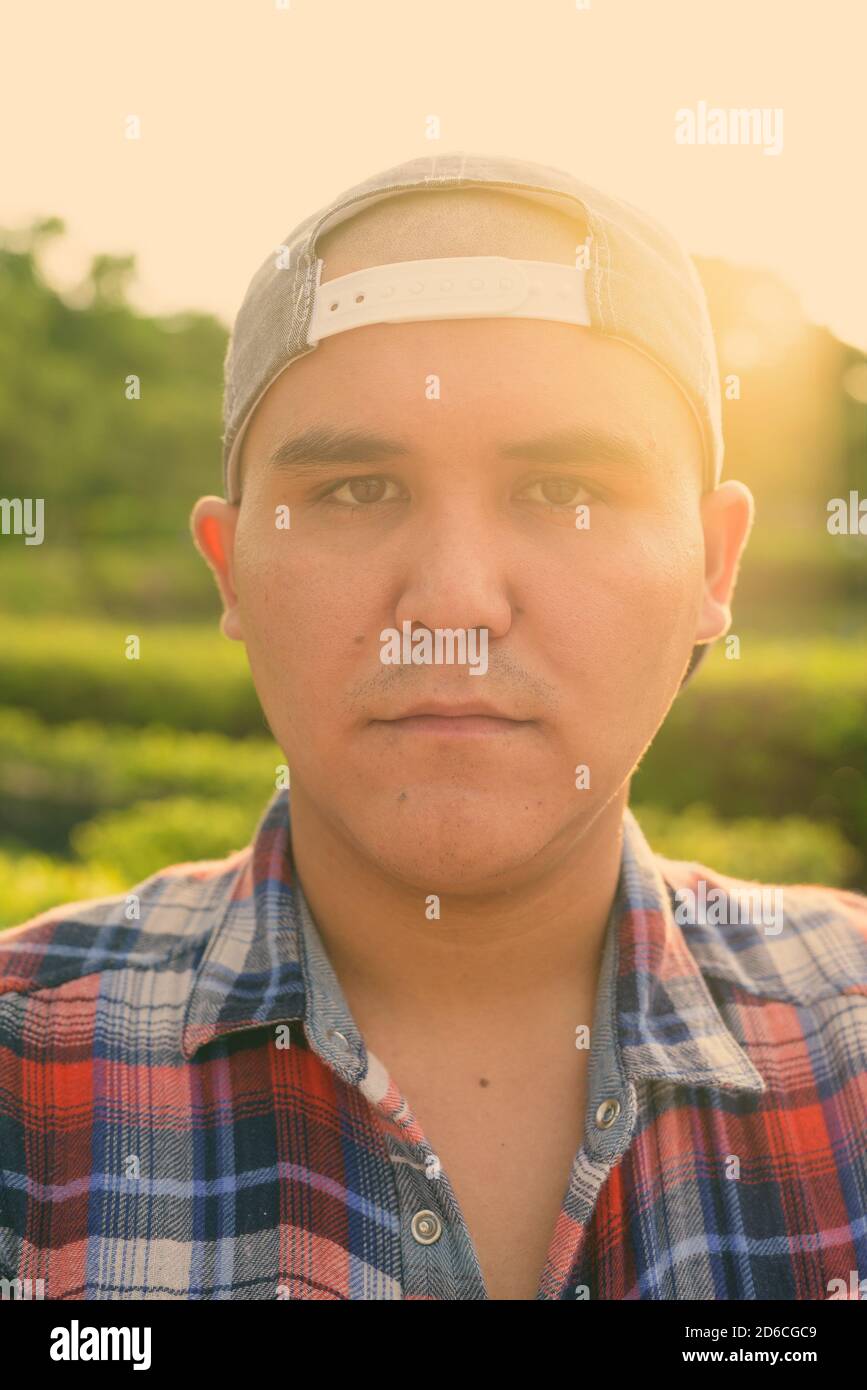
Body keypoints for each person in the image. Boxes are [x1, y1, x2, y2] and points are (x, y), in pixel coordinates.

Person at [1, 152, 865, 1302]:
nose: (453, 603)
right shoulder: (26, 1078)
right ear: (233, 567)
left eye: (568, 491)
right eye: (357, 489)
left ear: (713, 564)